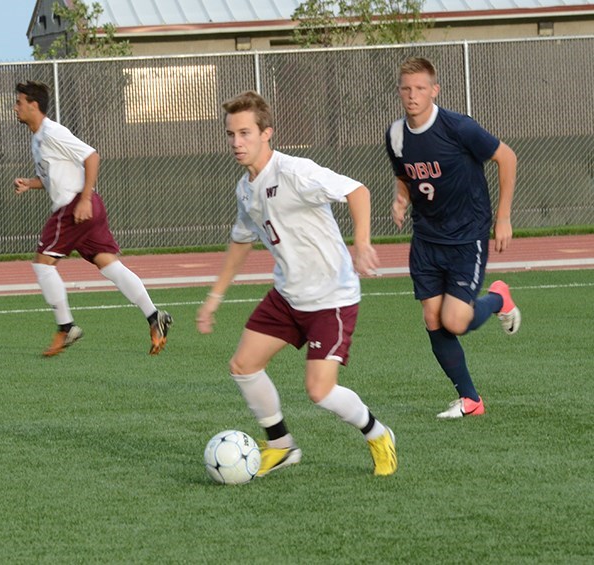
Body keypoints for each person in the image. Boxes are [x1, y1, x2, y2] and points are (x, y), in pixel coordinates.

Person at [197, 91, 397, 477]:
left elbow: (358, 191)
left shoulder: (295, 172)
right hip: (288, 295)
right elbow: (241, 242)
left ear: (266, 133)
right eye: (231, 134)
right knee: (243, 365)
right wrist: (214, 298)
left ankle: (378, 434)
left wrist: (362, 242)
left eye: (245, 133)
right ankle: (281, 446)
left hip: (330, 297)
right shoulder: (245, 188)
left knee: (319, 391)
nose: (236, 143)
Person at [387, 57, 521, 419]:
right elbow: (405, 174)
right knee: (433, 319)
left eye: (420, 88)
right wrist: (401, 199)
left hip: (466, 236)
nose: (412, 96)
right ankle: (471, 399)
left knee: (456, 321)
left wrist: (504, 217)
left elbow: (506, 158)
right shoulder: (396, 134)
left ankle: (497, 299)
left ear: (434, 90)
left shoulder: (459, 127)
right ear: (399, 90)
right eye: (406, 88)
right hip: (427, 239)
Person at [12, 80, 172, 357]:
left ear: (33, 105)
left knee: (43, 265)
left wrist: (84, 199)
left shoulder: (52, 132)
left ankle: (66, 327)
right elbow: (55, 176)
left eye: (19, 102)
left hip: (75, 206)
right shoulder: (37, 138)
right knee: (109, 265)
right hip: (87, 206)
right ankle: (154, 315)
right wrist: (30, 183)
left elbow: (92, 156)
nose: (15, 107)